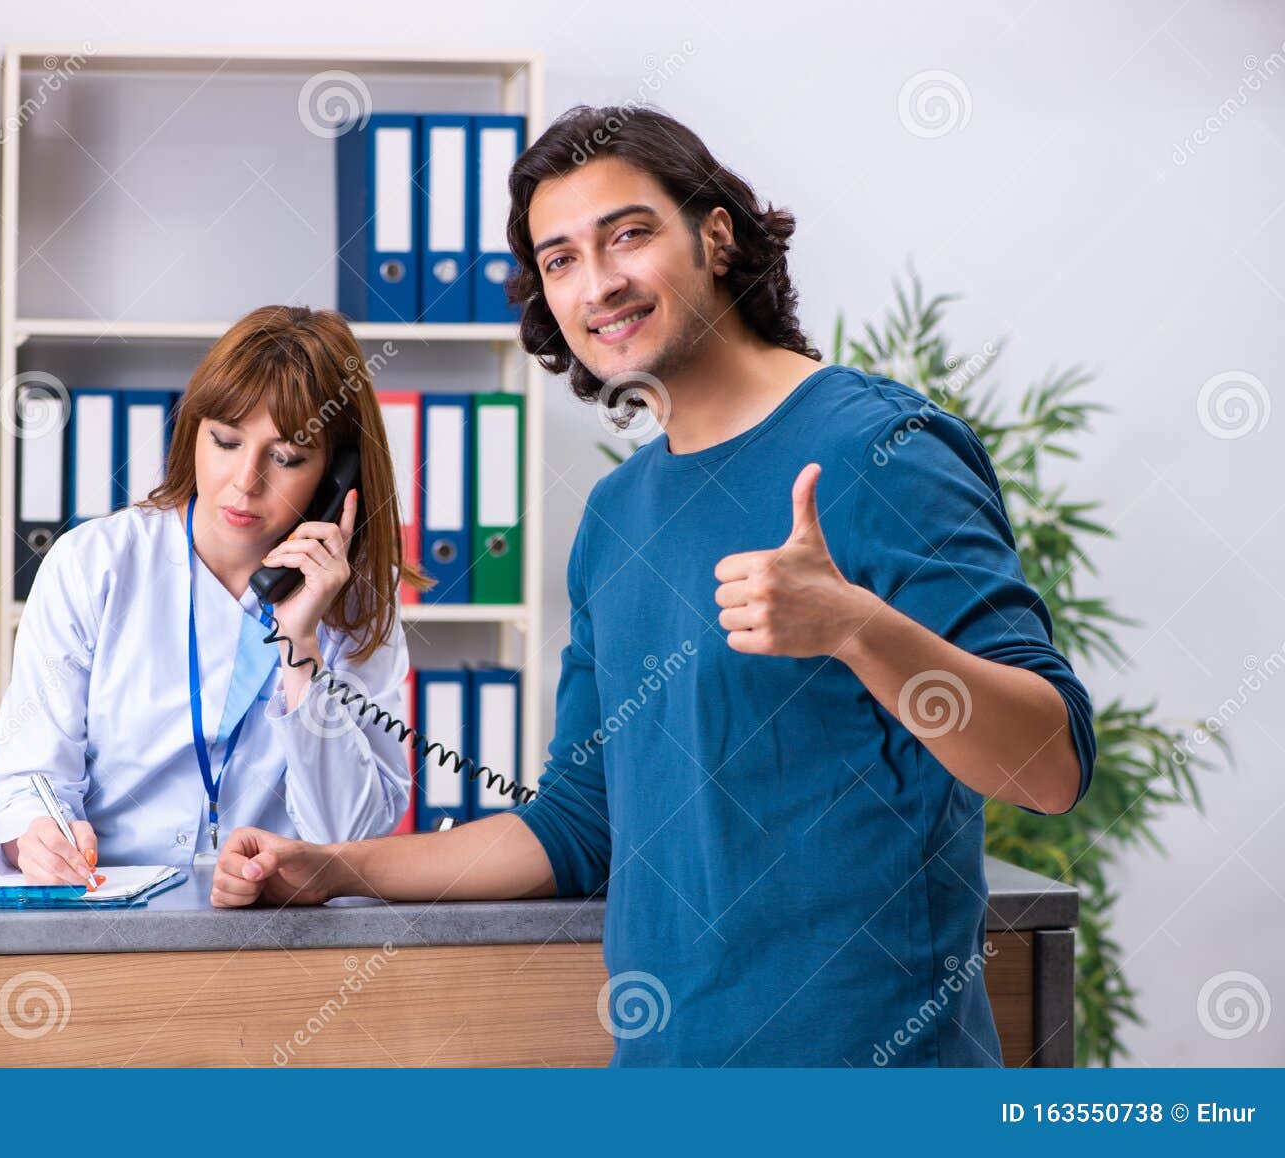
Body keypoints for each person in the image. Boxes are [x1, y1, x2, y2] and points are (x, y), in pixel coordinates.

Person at [208, 107, 1097, 1069]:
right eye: (560, 260)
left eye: (627, 234)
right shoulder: (617, 515)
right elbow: (577, 826)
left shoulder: (879, 449)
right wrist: (335, 867)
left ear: (716, 236)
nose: (598, 284)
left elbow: (1049, 767)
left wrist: (857, 628)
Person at [0, 305, 428, 885]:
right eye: (226, 441)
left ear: (338, 475)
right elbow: (29, 780)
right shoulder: (94, 564)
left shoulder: (357, 597)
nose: (245, 481)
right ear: (194, 431)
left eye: (286, 458)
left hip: (277, 921)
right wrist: (39, 835)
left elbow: (351, 836)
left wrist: (301, 646)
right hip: (105, 904)